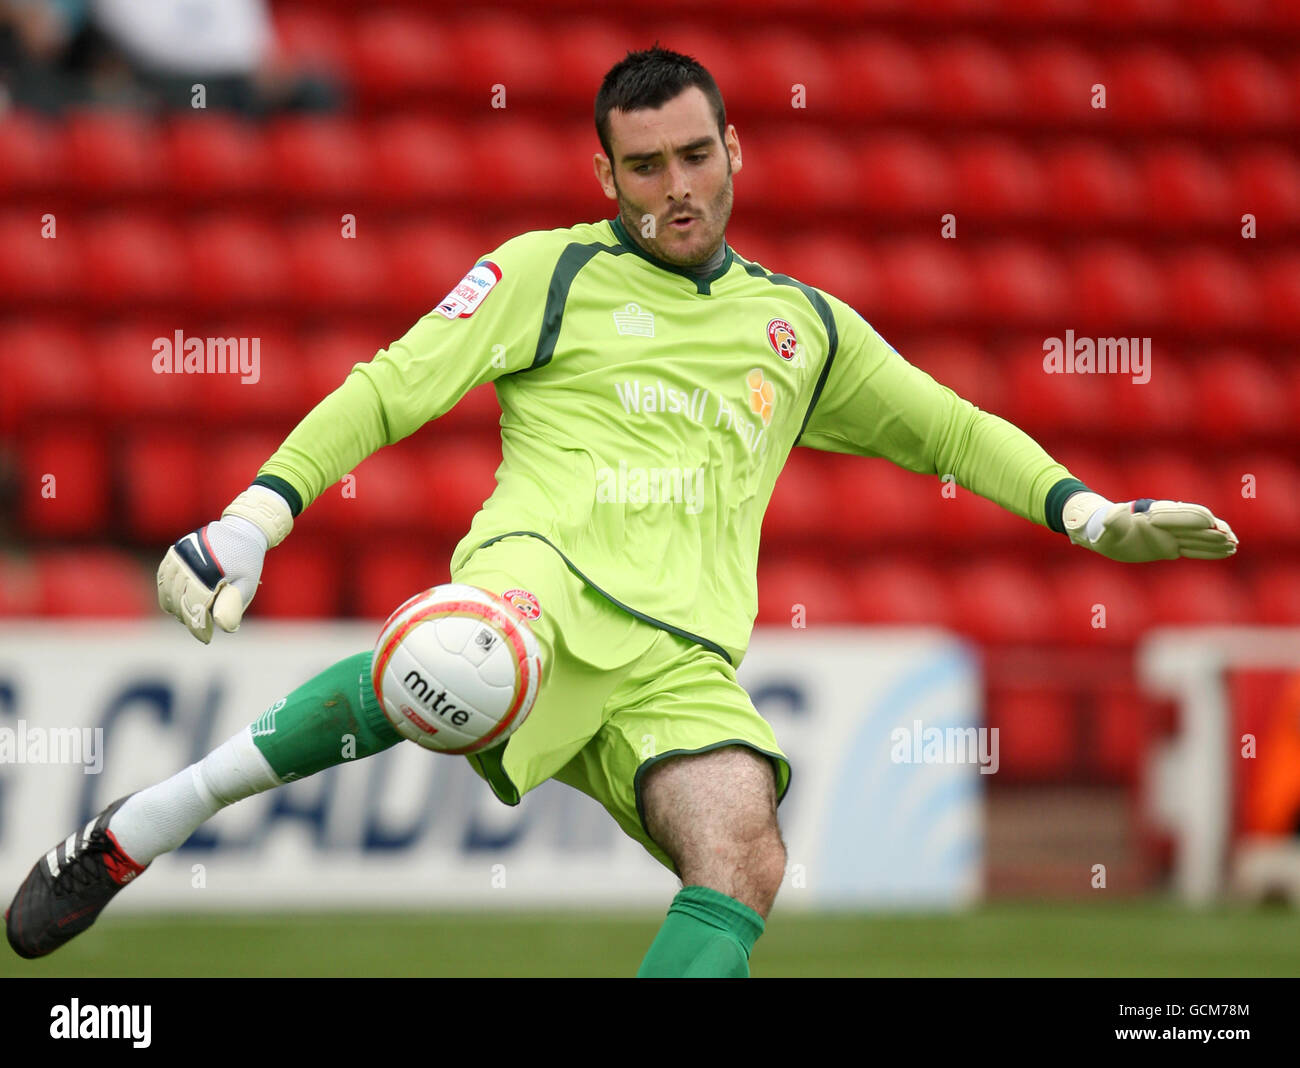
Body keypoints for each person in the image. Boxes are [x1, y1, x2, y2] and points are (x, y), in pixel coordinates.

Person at [5, 45, 1238, 977]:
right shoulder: (546, 271)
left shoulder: (802, 327)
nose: (675, 186)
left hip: (680, 663)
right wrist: (257, 516)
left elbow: (951, 431)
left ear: (733, 150)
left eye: (694, 155)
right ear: (606, 174)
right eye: (643, 166)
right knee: (459, 656)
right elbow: (391, 389)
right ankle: (139, 829)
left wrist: (1084, 515)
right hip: (536, 585)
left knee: (745, 858)